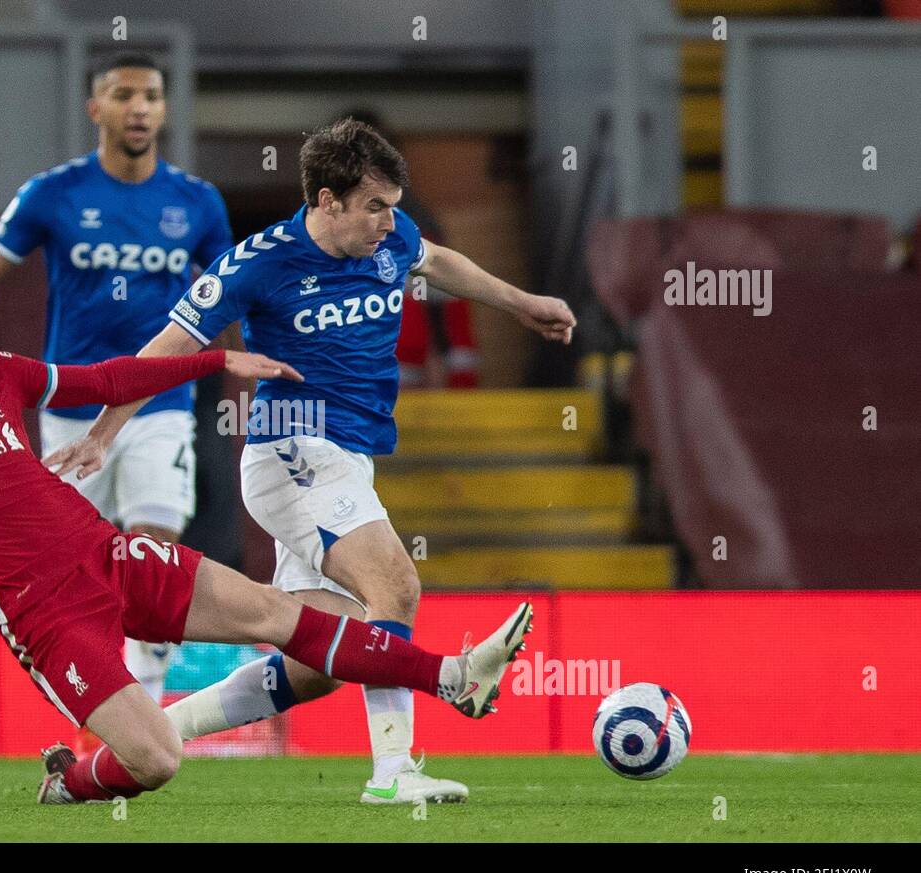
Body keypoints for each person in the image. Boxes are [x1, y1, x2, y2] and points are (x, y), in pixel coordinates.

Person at [0, 272, 534, 806]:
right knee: (155, 762)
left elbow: (105, 378)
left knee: (279, 613)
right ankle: (68, 781)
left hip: (112, 554)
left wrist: (212, 362)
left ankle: (454, 679)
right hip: (44, 613)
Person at [44, 118, 574, 804]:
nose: (390, 222)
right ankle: (395, 772)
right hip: (293, 449)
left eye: (393, 204)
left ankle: (134, 742)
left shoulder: (390, 238)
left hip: (350, 456)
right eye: (374, 206)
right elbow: (167, 346)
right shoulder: (258, 262)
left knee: (321, 661)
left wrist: (524, 303)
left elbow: (438, 261)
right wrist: (106, 431)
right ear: (326, 200)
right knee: (397, 587)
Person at [0, 52, 233, 715]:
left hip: (161, 405)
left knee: (153, 543)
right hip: (71, 410)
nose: (140, 107)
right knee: (74, 570)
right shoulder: (53, 193)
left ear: (165, 110)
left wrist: (244, 370)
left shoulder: (196, 201)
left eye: (152, 96)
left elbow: (229, 294)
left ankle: (148, 708)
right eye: (124, 94)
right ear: (96, 108)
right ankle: (95, 700)